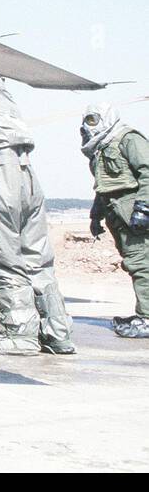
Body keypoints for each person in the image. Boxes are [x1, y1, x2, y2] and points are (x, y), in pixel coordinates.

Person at [0, 71, 75, 355]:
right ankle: (58, 332)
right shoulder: (10, 106)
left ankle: (20, 333)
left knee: (2, 257)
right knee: (38, 259)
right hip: (27, 177)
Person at [81, 103, 149, 339]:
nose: (89, 126)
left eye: (93, 119)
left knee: (141, 264)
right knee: (134, 263)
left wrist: (144, 207)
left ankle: (147, 318)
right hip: (118, 214)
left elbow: (148, 171)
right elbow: (104, 187)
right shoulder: (101, 147)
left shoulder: (127, 139)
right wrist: (95, 215)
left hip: (134, 214)